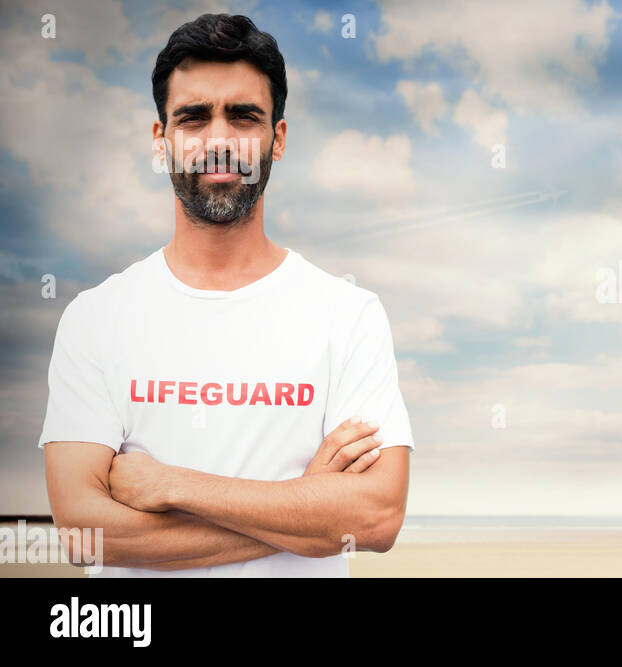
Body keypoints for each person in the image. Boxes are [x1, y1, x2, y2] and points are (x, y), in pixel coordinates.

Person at [38, 13, 415, 577]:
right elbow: (82, 533)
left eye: (243, 117)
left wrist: (169, 484)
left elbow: (377, 518)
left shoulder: (347, 315)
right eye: (193, 118)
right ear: (161, 140)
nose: (219, 141)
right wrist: (306, 510)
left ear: (278, 139)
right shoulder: (95, 319)